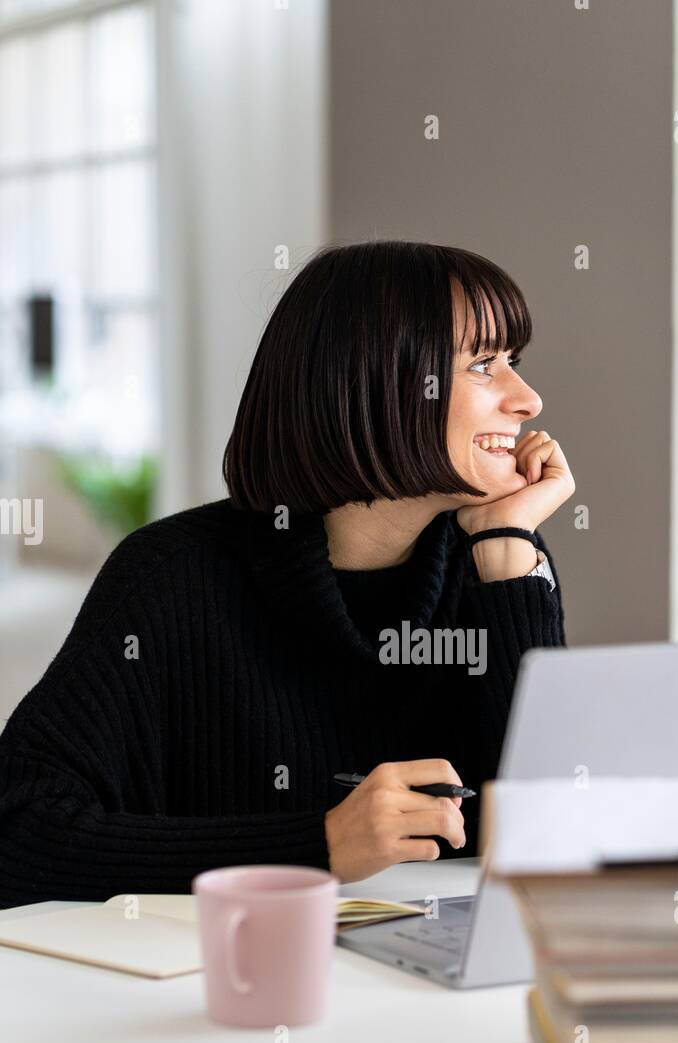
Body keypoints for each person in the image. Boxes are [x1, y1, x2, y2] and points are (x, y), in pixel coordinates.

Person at [0, 241, 573, 909]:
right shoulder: (171, 579)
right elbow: (20, 836)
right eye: (483, 365)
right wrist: (318, 843)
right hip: (221, 990)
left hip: (432, 997)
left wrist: (509, 556)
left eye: (514, 362)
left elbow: (552, 842)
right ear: (375, 380)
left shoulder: (501, 563)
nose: (527, 399)